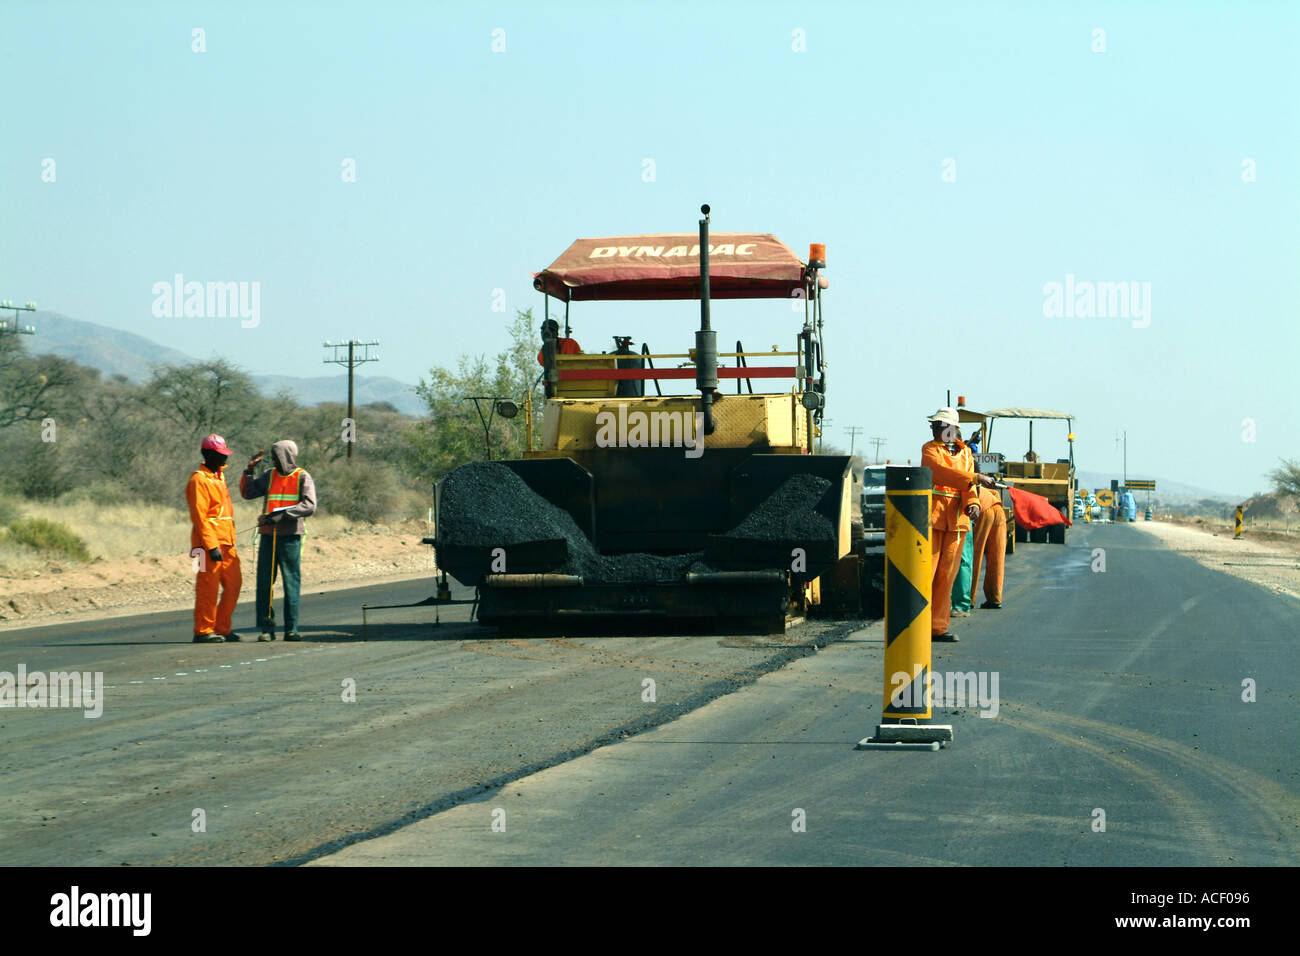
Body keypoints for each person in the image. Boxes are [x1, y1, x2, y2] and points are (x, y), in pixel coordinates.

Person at [922, 408, 997, 642]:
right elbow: (941, 473)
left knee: (946, 577)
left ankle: (937, 628)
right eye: (935, 425)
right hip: (934, 519)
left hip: (956, 523)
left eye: (941, 425)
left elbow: (968, 489)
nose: (936, 429)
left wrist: (973, 503)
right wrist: (974, 478)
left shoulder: (966, 455)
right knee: (927, 574)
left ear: (953, 430)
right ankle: (916, 626)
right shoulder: (930, 450)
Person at [240, 440, 317, 642]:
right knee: (265, 584)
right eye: (273, 457)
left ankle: (291, 629)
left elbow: (309, 506)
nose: (273, 461)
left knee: (291, 583)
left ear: (287, 456)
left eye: (276, 456)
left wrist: (281, 515)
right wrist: (249, 470)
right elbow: (248, 493)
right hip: (268, 536)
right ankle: (267, 628)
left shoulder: (302, 476)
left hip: (290, 537)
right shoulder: (269, 475)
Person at [186, 434, 241, 643]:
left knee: (234, 585)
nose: (224, 459)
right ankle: (203, 630)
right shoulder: (198, 479)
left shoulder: (218, 476)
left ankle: (222, 627)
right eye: (220, 455)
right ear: (207, 454)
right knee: (207, 588)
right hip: (206, 546)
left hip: (227, 542)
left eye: (224, 454)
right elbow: (199, 517)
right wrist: (211, 545)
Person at [970, 484, 1007, 610]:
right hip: (998, 510)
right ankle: (995, 598)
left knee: (974, 554)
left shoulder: (967, 482)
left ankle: (968, 599)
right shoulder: (986, 489)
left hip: (983, 510)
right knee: (997, 556)